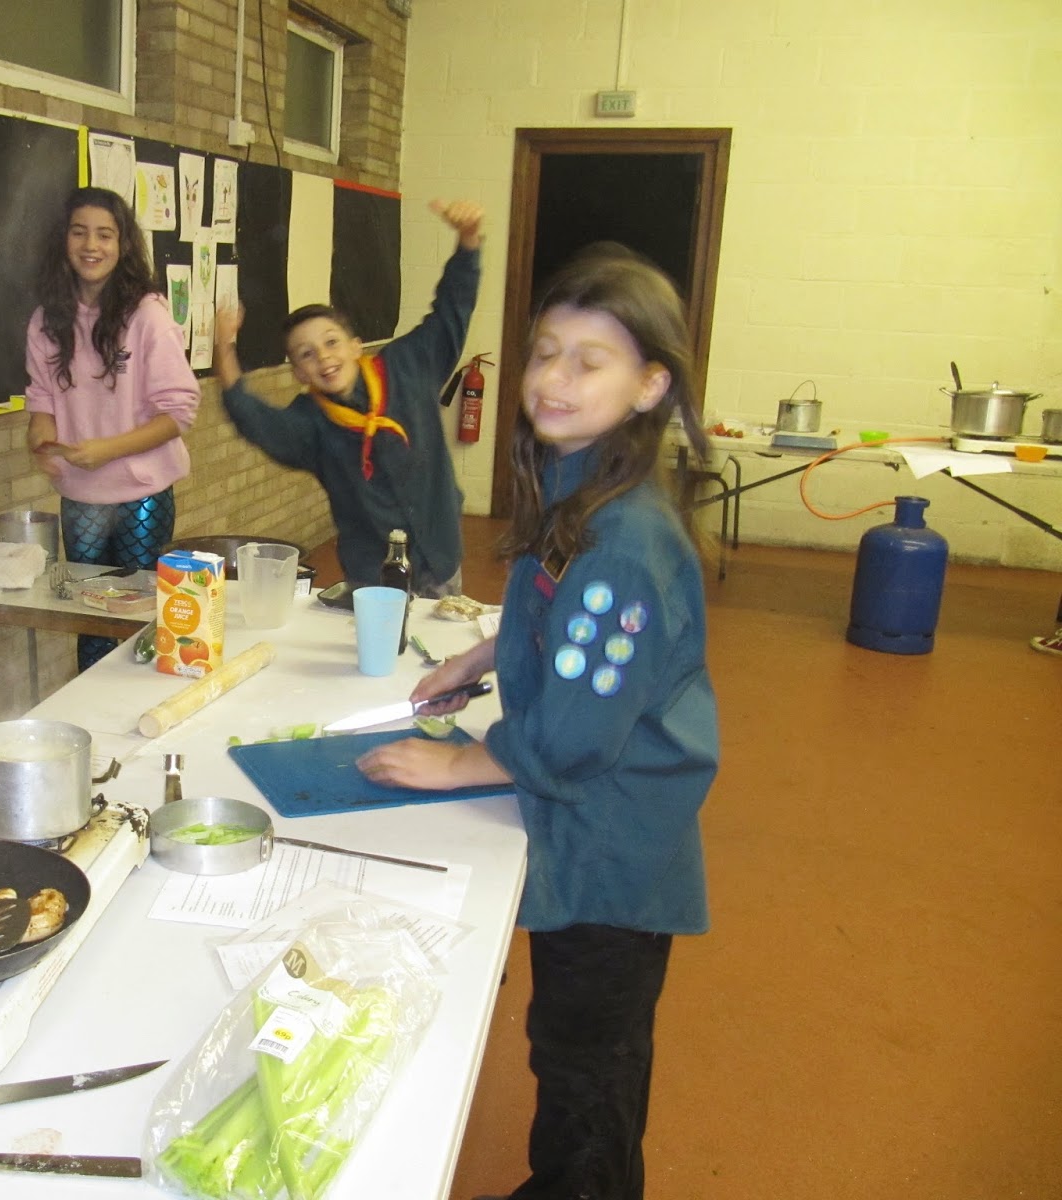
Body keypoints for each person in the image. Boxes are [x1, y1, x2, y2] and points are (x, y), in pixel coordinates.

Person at [356, 244, 719, 1199]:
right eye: (545, 352)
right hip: (590, 817)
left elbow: (576, 736)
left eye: (589, 362)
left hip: (609, 843)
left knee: (585, 1056)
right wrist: (487, 655)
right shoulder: (578, 480)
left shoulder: (625, 540)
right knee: (584, 1047)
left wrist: (457, 764)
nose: (554, 379)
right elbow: (553, 606)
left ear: (650, 385)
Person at [214, 199, 483, 596]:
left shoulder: (407, 365)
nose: (323, 358)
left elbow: (450, 312)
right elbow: (250, 415)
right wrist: (223, 347)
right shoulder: (310, 423)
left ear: (356, 346)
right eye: (306, 354)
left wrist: (468, 240)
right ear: (299, 373)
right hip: (372, 572)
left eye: (331, 342)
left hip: (439, 553)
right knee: (374, 637)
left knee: (439, 633)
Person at [24, 185, 200, 670]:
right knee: (91, 619)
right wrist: (40, 437)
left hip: (142, 493)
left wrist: (108, 449)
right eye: (79, 232)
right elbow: (42, 397)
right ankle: (92, 711)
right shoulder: (46, 319)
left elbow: (179, 413)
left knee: (139, 619)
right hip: (81, 494)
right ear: (63, 239)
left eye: (105, 234)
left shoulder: (147, 315)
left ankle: (141, 708)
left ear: (123, 245)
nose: (91, 245)